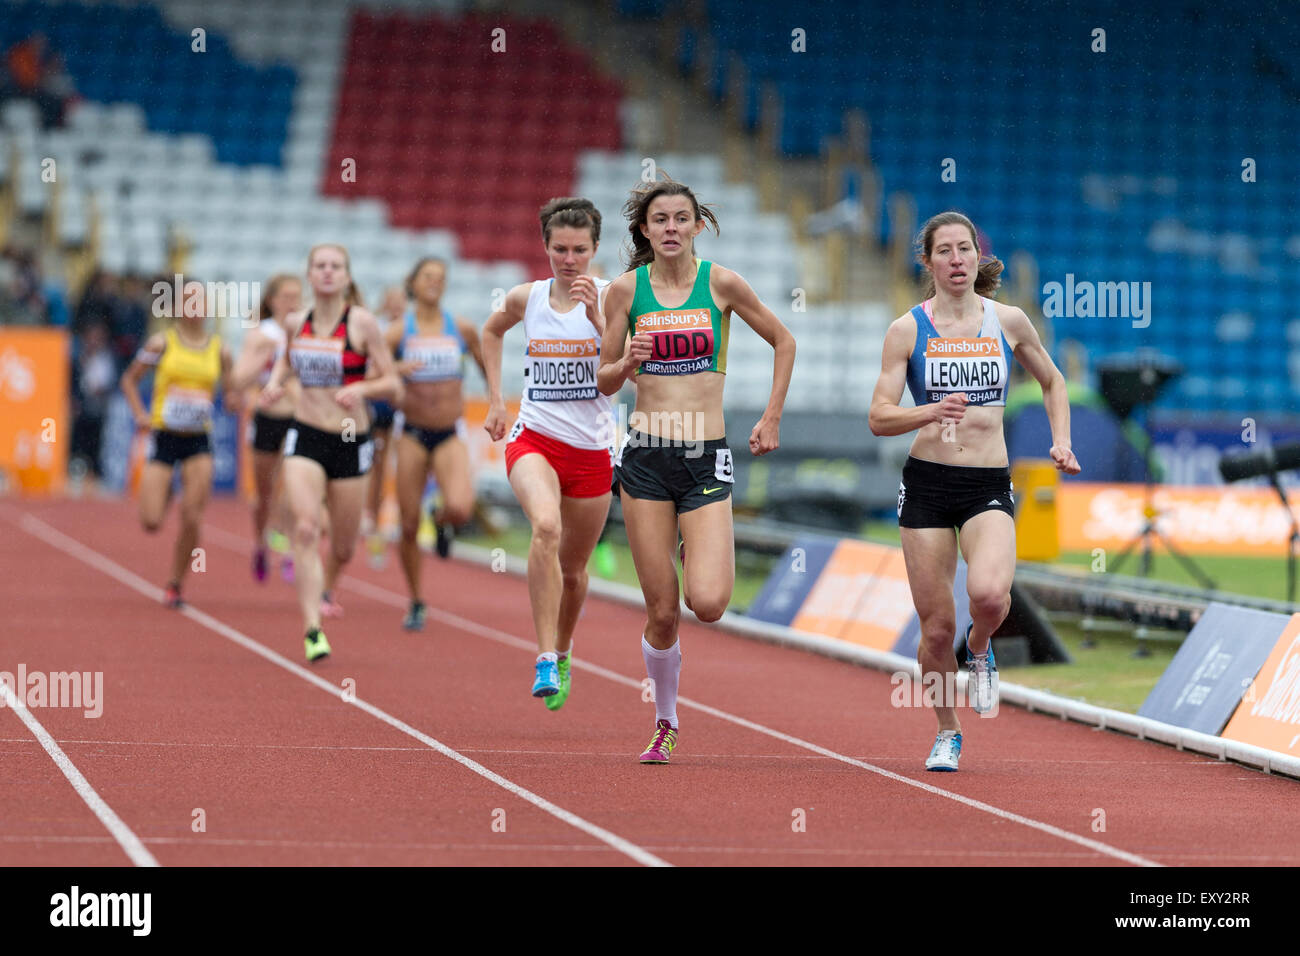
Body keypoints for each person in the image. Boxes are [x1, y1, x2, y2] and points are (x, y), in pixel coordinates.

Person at [867, 210, 1081, 772]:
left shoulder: (1007, 321)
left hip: (987, 481)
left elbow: (1054, 380)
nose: (957, 260)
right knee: (936, 628)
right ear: (929, 261)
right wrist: (929, 411)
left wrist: (1061, 439)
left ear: (977, 259)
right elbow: (879, 417)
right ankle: (946, 730)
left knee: (988, 596)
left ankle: (981, 648)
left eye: (965, 250)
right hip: (927, 486)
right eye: (945, 251)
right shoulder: (907, 330)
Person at [597, 177, 795, 764]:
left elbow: (784, 341)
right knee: (662, 610)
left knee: (707, 602)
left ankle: (695, 539)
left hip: (706, 455)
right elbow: (601, 379)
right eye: (660, 220)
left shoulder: (723, 284)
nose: (672, 229)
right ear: (644, 230)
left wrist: (772, 416)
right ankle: (666, 719)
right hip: (647, 459)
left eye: (682, 218)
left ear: (697, 225)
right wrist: (625, 362)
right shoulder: (625, 292)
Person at [483, 197, 613, 706]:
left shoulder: (614, 296)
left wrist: (600, 320)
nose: (569, 259)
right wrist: (497, 399)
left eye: (579, 249)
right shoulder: (527, 298)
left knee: (575, 572)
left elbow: (626, 372)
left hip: (591, 452)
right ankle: (541, 656)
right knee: (545, 528)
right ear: (546, 247)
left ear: (595, 248)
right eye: (559, 248)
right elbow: (492, 331)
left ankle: (562, 651)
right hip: (534, 437)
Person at [261, 244, 402, 662]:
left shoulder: (362, 324)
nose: (326, 272)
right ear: (309, 274)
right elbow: (286, 361)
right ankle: (312, 630)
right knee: (304, 529)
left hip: (349, 440)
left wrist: (361, 387)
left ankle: (329, 583)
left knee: (342, 546)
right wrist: (274, 383)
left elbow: (392, 382)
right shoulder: (295, 321)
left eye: (334, 266)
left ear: (346, 276)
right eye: (319, 266)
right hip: (305, 434)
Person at [119, 280, 233, 607]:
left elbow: (233, 392)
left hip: (199, 440)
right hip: (165, 438)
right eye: (189, 301)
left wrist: (243, 397)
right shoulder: (161, 343)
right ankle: (167, 488)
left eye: (201, 301)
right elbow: (128, 379)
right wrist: (140, 413)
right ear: (178, 308)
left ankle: (175, 583)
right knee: (151, 521)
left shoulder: (220, 350)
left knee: (193, 516)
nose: (195, 307)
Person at [385, 257, 484, 631]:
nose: (435, 283)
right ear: (413, 282)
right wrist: (394, 370)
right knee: (407, 526)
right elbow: (368, 368)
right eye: (428, 276)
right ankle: (416, 600)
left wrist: (494, 404)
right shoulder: (397, 332)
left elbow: (485, 363)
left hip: (447, 432)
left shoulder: (461, 327)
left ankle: (440, 519)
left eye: (441, 278)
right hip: (411, 432)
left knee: (461, 507)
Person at [229, 273, 303, 582]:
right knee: (264, 491)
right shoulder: (260, 335)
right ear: (272, 301)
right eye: (285, 296)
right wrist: (264, 360)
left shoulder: (308, 333)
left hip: (298, 417)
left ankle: (289, 549)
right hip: (267, 418)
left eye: (297, 297)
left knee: (295, 486)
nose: (291, 303)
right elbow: (238, 381)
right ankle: (261, 542)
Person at [362, 285, 406, 568]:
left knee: (403, 468)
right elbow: (371, 370)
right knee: (377, 469)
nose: (395, 306)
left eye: (400, 301)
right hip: (379, 408)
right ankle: (375, 529)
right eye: (391, 301)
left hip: (405, 408)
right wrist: (401, 369)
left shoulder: (411, 328)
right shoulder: (376, 328)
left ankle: (403, 527)